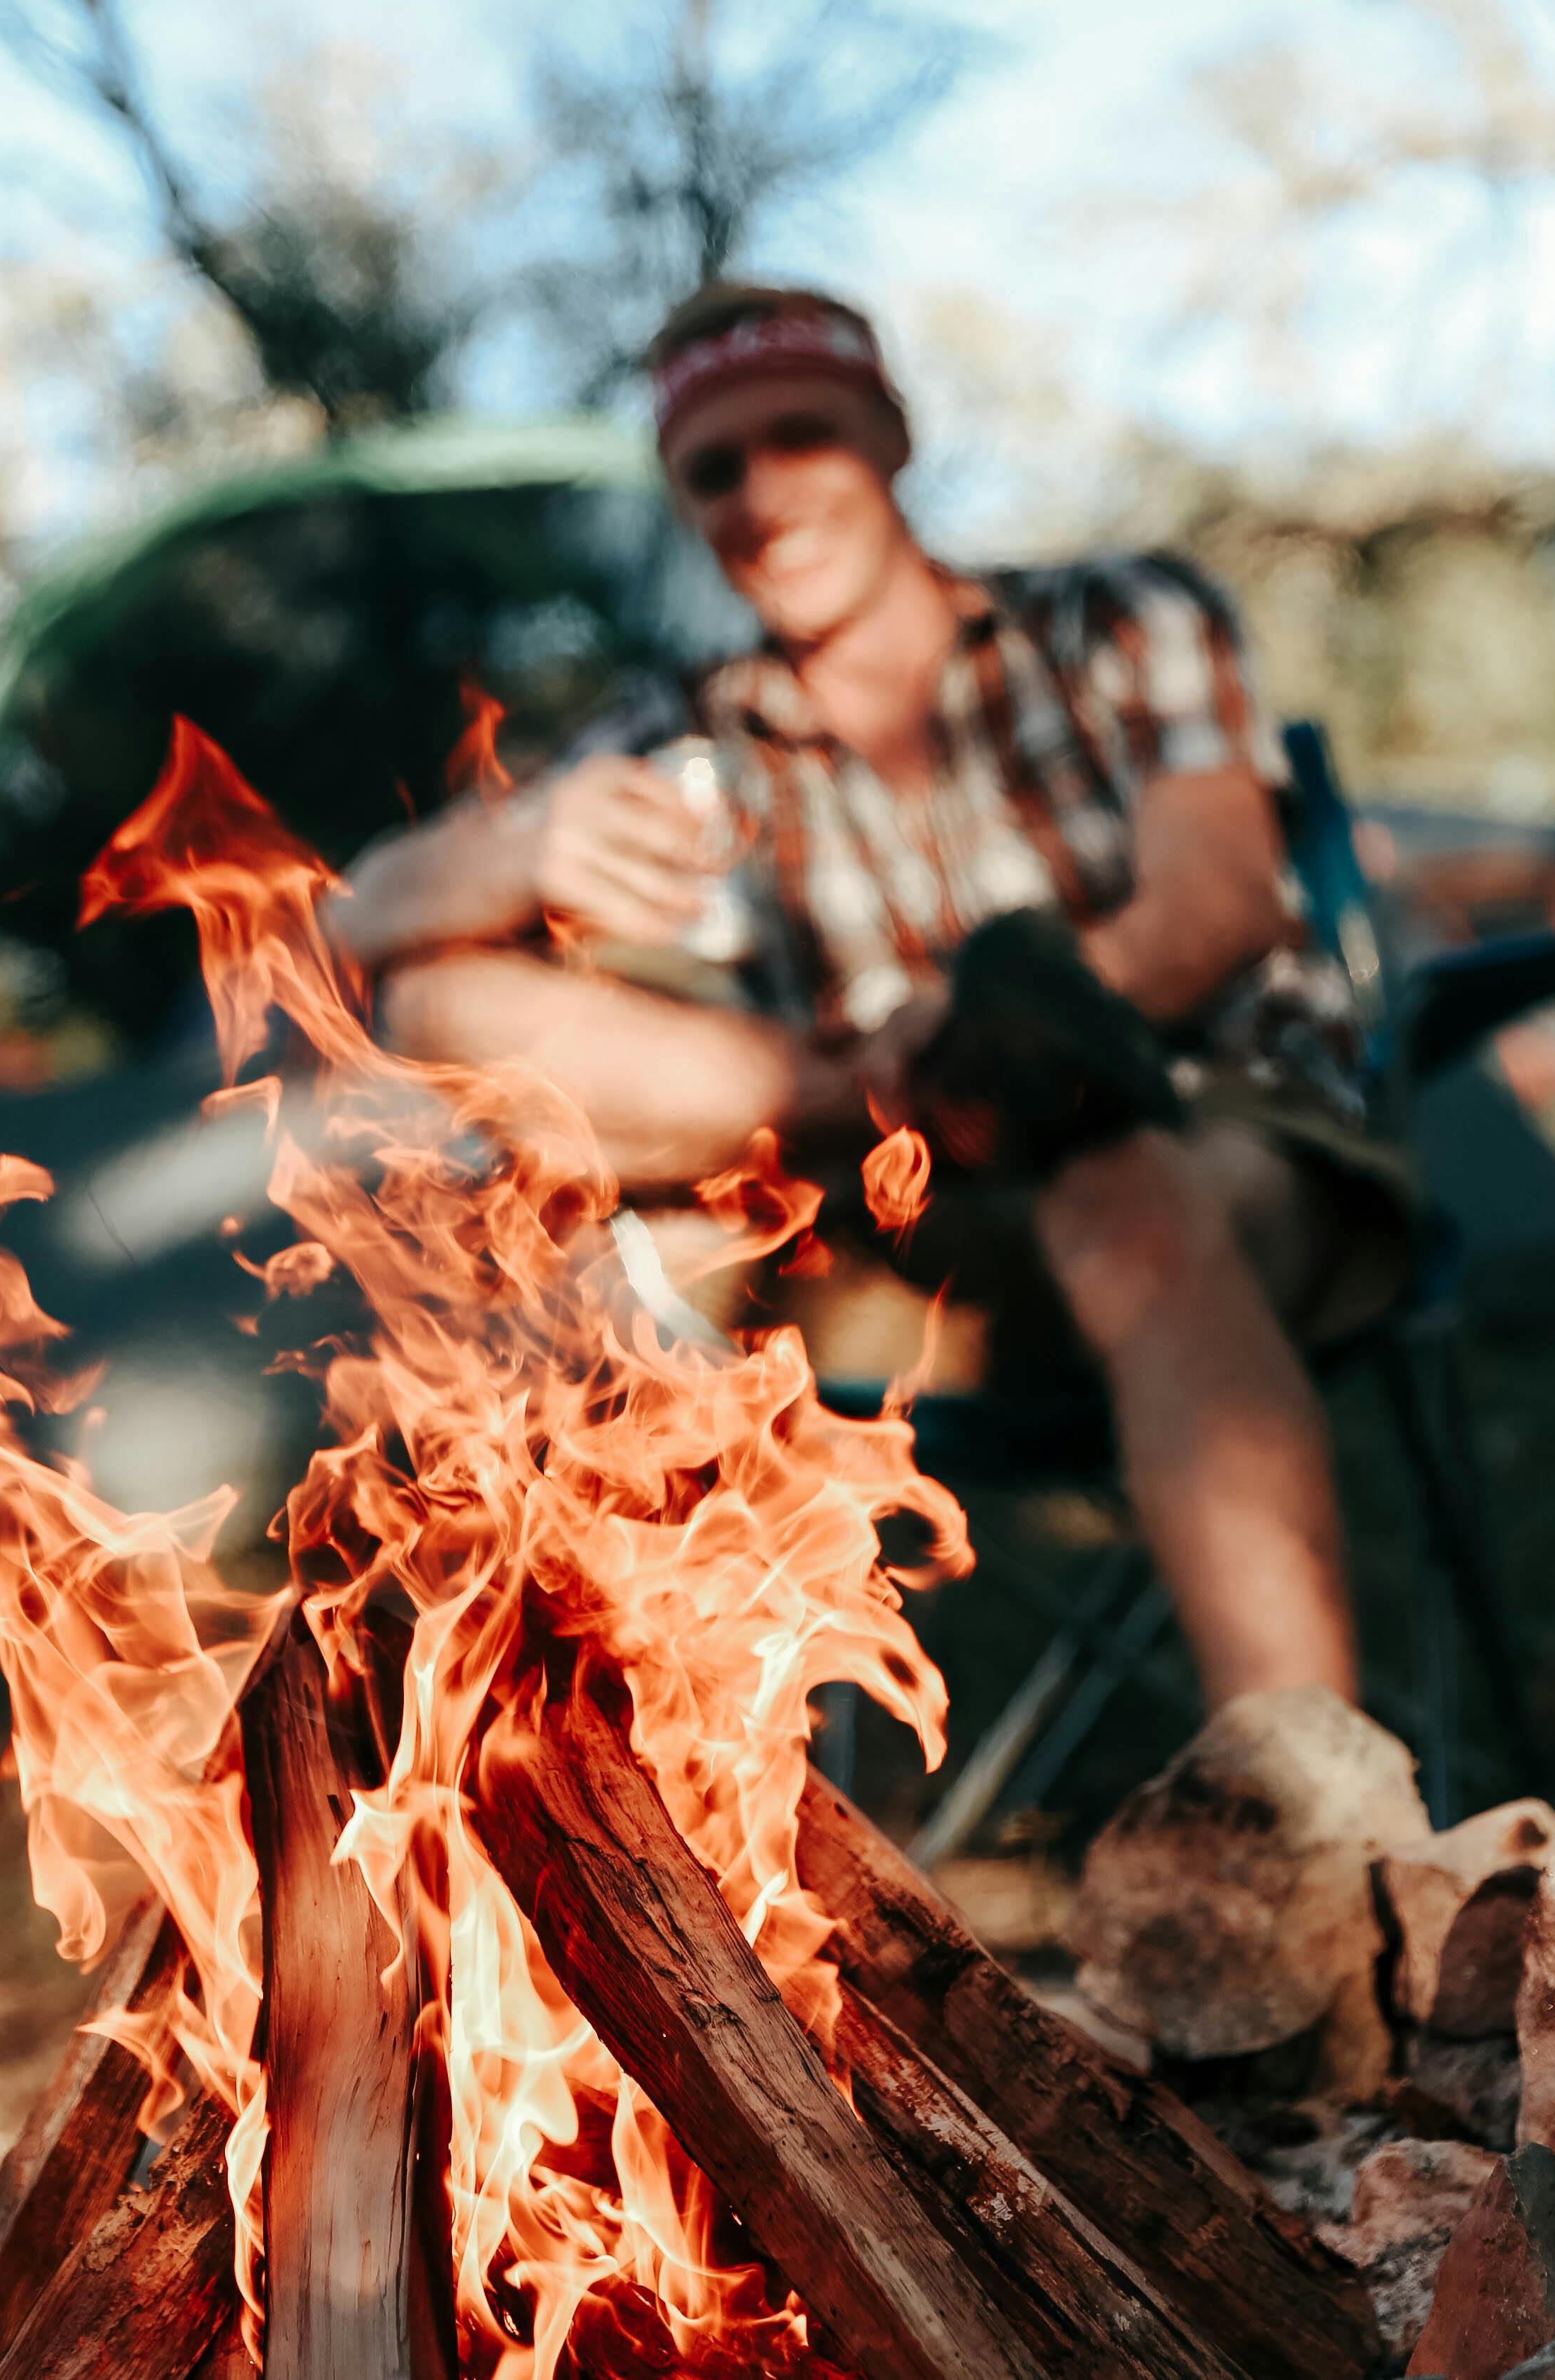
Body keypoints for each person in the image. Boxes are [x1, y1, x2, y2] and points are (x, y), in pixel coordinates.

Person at [325, 281, 1415, 1711]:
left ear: (892, 435)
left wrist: (1019, 1026)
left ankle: (1307, 1805)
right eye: (713, 469)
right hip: (902, 1206)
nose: (762, 494)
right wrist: (526, 844)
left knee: (1123, 1189)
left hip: (1215, 1139)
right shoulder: (685, 735)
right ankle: (614, 1850)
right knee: (466, 1054)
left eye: (803, 436)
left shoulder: (1117, 619)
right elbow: (351, 934)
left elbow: (1218, 906)